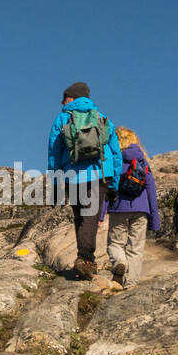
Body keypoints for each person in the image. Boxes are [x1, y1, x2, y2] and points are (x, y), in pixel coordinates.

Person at [47, 82, 121, 280]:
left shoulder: (62, 118)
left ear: (72, 98)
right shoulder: (102, 118)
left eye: (65, 97)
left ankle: (85, 259)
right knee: (90, 217)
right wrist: (114, 183)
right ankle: (86, 259)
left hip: (73, 176)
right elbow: (115, 153)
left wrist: (55, 183)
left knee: (81, 217)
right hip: (99, 175)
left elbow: (54, 153)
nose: (62, 101)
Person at [102, 127, 160, 289]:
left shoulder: (115, 160)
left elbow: (109, 188)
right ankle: (131, 284)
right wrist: (154, 219)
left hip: (119, 208)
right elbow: (151, 189)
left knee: (115, 244)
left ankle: (120, 262)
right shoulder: (142, 161)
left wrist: (100, 215)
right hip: (141, 210)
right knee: (136, 248)